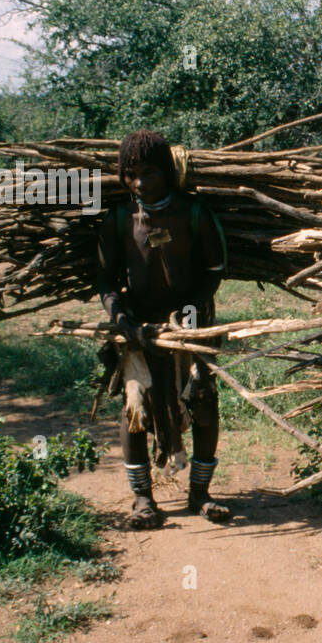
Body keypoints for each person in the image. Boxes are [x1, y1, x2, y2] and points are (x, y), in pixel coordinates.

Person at [95, 130, 232, 529]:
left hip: (191, 322)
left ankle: (200, 493)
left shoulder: (193, 213)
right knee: (135, 405)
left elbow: (215, 268)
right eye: (131, 174)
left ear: (169, 174)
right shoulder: (120, 220)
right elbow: (104, 279)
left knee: (202, 399)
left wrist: (190, 313)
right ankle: (142, 499)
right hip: (139, 327)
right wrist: (121, 319)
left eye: (150, 173)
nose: (140, 183)